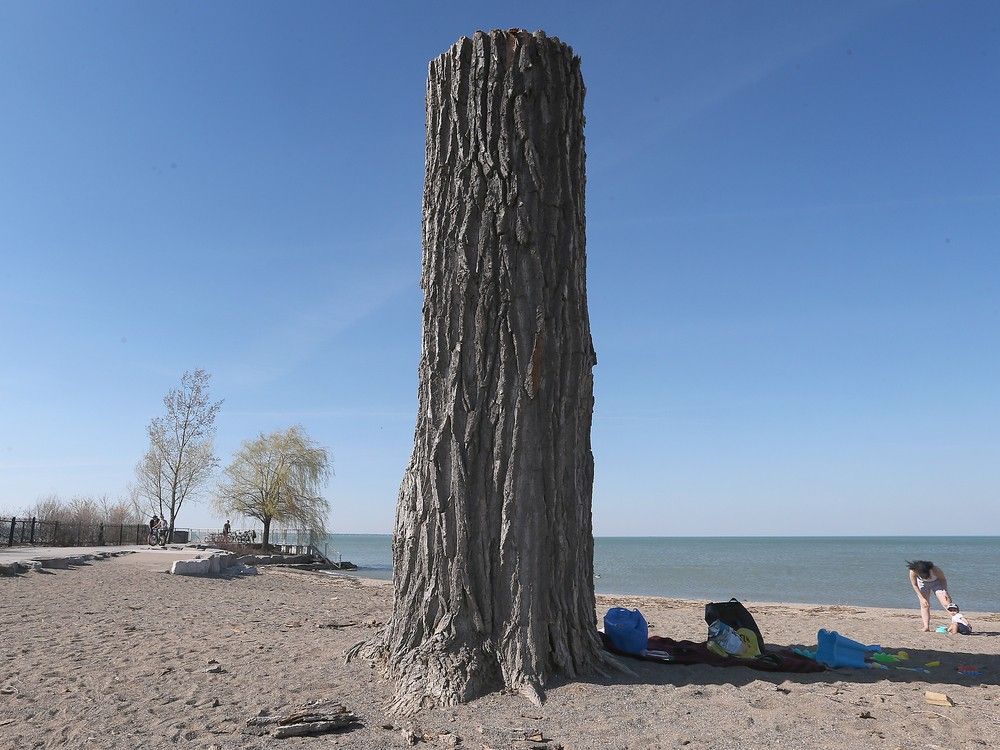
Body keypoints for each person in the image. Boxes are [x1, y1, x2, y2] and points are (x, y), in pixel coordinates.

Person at [907, 560, 956, 632]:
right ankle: (926, 626)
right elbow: (915, 585)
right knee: (925, 605)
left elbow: (943, 579)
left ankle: (956, 624)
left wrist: (945, 591)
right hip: (922, 584)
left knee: (947, 603)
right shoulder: (913, 571)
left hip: (937, 583)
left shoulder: (935, 569)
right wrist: (922, 598)